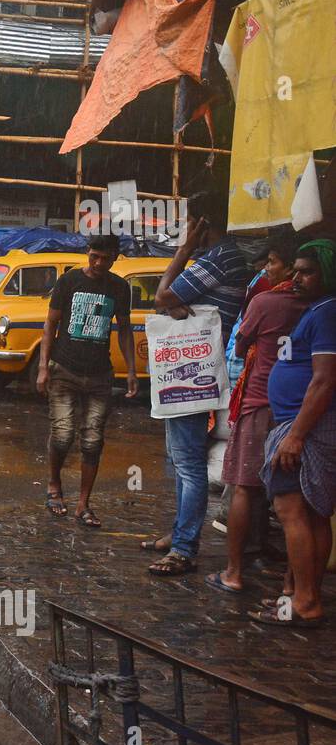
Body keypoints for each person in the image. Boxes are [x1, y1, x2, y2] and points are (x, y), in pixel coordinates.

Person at [145, 203, 251, 576]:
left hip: (194, 376)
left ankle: (184, 547)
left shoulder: (220, 258)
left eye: (188, 221)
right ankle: (178, 534)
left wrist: (184, 249)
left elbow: (162, 296)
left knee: (188, 464)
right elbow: (173, 300)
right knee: (180, 460)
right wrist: (178, 303)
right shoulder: (225, 258)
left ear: (201, 223)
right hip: (192, 372)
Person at [207, 236, 303, 593]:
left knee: (245, 487)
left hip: (260, 400)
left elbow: (243, 340)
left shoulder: (266, 301)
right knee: (293, 499)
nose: (266, 267)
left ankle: (234, 572)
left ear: (291, 268)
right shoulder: (319, 307)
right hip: (299, 409)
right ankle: (293, 584)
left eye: (273, 261)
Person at [248, 239, 336, 627]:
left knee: (290, 509)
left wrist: (296, 435)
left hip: (306, 426)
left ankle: (304, 601)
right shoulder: (319, 310)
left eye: (307, 271)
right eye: (296, 270)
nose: (297, 277)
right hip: (304, 423)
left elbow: (323, 380)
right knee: (314, 514)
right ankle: (307, 596)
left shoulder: (327, 313)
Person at [37, 233, 138, 526]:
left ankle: (83, 504)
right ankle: (54, 485)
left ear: (114, 258)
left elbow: (125, 330)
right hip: (64, 369)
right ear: (88, 253)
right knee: (63, 434)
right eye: (94, 256)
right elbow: (50, 324)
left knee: (93, 440)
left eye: (105, 258)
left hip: (99, 374)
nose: (98, 263)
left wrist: (131, 370)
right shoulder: (68, 281)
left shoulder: (119, 288)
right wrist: (43, 367)